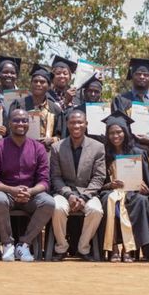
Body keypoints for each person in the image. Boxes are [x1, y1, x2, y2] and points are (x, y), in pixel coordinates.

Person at [0, 107, 54, 262]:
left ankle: (23, 245)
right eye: (16, 120)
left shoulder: (38, 148)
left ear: (29, 124)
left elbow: (44, 181)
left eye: (24, 120)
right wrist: (12, 190)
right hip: (6, 194)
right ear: (9, 123)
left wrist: (30, 191)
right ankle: (8, 244)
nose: (20, 123)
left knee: (48, 202)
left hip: (30, 195)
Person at [49, 108, 106, 261]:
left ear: (86, 124)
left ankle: (83, 247)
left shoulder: (97, 147)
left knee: (96, 210)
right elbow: (55, 177)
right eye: (73, 122)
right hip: (64, 192)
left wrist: (84, 197)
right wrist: (69, 195)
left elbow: (99, 177)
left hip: (87, 192)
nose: (76, 126)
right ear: (67, 124)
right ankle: (61, 247)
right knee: (57, 207)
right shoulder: (57, 148)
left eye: (80, 122)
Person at [100, 111, 149, 262]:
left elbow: (147, 184)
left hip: (133, 193)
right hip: (110, 191)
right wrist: (110, 185)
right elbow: (97, 183)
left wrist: (142, 187)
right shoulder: (104, 154)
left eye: (119, 132)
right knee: (110, 201)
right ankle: (113, 248)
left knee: (140, 201)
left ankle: (129, 247)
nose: (115, 136)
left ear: (126, 132)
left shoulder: (138, 153)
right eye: (111, 133)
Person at [111, 58, 149, 170]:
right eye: (138, 74)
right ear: (132, 76)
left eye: (145, 74)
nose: (142, 77)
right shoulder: (121, 100)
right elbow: (118, 128)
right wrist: (137, 145)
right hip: (129, 155)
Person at [11, 64, 65, 148]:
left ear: (49, 86)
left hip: (46, 153)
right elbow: (10, 129)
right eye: (35, 81)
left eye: (42, 82)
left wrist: (51, 140)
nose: (38, 84)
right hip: (21, 150)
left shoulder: (55, 109)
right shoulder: (18, 105)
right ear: (31, 84)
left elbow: (61, 136)